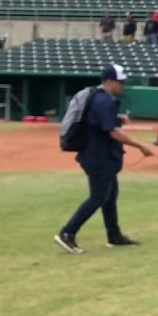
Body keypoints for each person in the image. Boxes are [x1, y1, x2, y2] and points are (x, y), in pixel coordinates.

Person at [54, 64, 152, 254]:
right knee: (98, 197)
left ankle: (114, 235)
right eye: (119, 81)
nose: (122, 85)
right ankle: (67, 233)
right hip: (98, 157)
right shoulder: (104, 101)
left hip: (101, 155)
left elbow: (102, 121)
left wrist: (118, 117)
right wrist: (141, 146)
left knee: (110, 195)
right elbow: (114, 133)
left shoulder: (101, 98)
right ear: (108, 81)